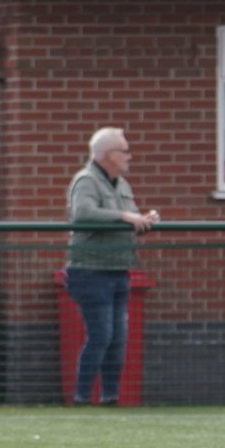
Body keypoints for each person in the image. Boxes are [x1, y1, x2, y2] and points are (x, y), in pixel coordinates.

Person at [64, 127, 158, 406]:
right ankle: (81, 398)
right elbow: (83, 213)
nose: (130, 156)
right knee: (101, 336)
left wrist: (142, 220)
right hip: (90, 272)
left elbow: (124, 221)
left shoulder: (122, 184)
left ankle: (110, 398)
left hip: (119, 270)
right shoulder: (86, 181)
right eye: (124, 151)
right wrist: (126, 216)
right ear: (108, 154)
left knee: (118, 339)